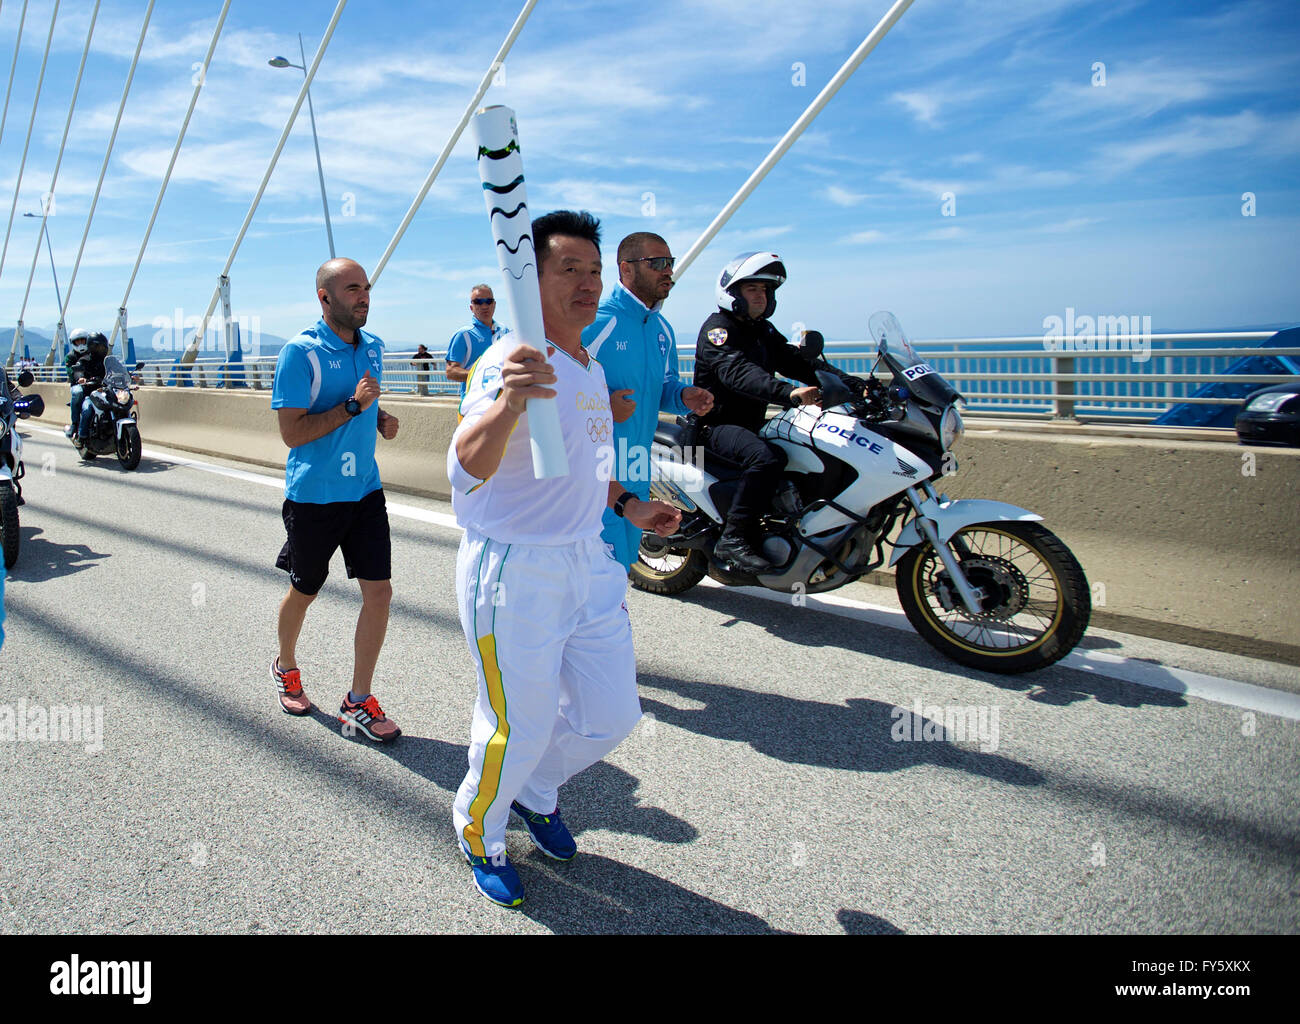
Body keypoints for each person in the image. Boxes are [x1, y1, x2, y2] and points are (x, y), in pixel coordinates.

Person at [447, 210, 681, 908]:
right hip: (515, 570)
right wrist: (510, 404)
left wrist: (629, 506)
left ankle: (536, 791)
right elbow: (467, 463)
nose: (586, 283)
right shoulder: (509, 362)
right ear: (532, 280)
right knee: (514, 724)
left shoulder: (586, 364)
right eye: (567, 270)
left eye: (593, 270)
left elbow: (585, 463)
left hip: (590, 559)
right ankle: (478, 827)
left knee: (613, 714)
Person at [269, 257, 402, 743]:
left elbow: (366, 400)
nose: (363, 296)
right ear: (325, 298)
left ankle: (358, 699)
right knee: (305, 590)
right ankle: (285, 665)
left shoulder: (376, 348)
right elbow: (292, 433)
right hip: (315, 497)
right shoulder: (299, 353)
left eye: (366, 287)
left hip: (365, 491)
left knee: (380, 593)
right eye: (352, 289)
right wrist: (354, 407)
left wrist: (379, 416)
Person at [694, 251, 867, 573]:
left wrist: (853, 384)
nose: (761, 297)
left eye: (765, 291)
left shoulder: (763, 330)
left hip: (751, 424)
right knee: (767, 458)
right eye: (753, 290)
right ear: (733, 293)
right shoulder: (718, 330)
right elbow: (738, 373)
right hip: (714, 427)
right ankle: (734, 539)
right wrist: (788, 393)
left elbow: (799, 362)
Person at [581, 232, 713, 568]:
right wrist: (604, 408)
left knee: (618, 575)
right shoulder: (595, 323)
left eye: (670, 262)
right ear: (625, 269)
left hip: (637, 471)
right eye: (657, 263)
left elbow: (664, 389)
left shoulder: (663, 330)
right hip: (595, 475)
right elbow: (553, 397)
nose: (668, 270)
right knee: (592, 582)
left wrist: (684, 396)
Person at [445, 284, 509, 395]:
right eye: (478, 302)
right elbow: (451, 372)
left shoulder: (505, 331)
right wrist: (483, 376)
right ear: (471, 307)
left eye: (488, 301)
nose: (484, 306)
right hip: (474, 403)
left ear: (494, 304)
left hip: (502, 400)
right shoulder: (464, 334)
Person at [70, 332, 110, 446]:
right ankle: (81, 437)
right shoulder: (84, 360)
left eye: (103, 346)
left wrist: (129, 375)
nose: (101, 349)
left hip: (107, 392)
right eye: (99, 347)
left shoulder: (107, 361)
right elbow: (77, 371)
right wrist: (81, 378)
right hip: (91, 393)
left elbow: (116, 370)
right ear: (92, 347)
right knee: (87, 410)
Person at [64, 330, 96, 439]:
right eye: (78, 341)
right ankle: (75, 424)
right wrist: (79, 378)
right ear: (73, 343)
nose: (81, 344)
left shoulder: (94, 353)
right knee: (77, 392)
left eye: (83, 340)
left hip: (94, 383)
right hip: (78, 384)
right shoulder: (70, 356)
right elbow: (70, 372)